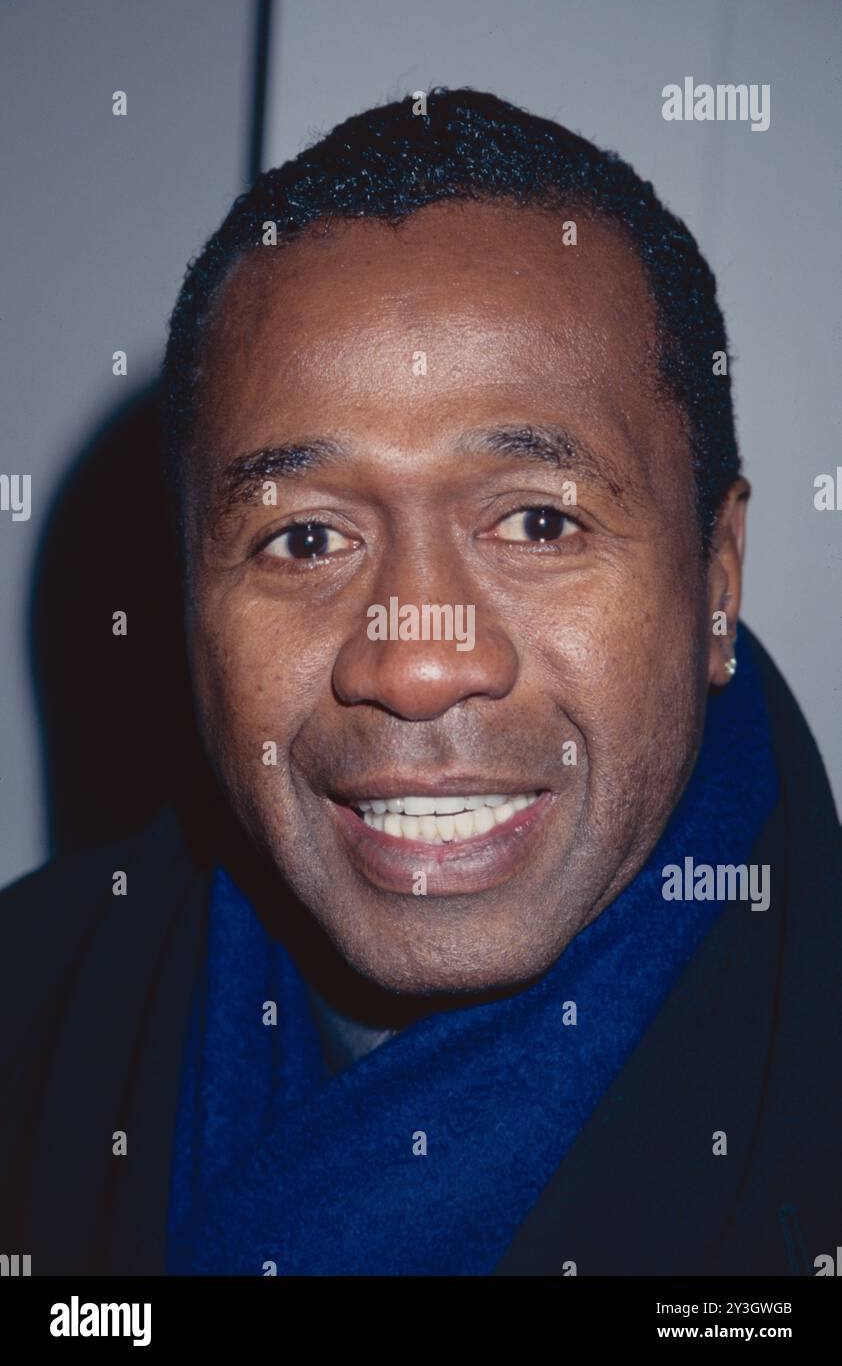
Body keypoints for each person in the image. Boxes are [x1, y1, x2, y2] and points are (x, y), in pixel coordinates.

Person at [1, 89, 839, 1277]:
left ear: (714, 579)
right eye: (303, 539)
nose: (412, 660)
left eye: (538, 521)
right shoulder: (29, 1002)